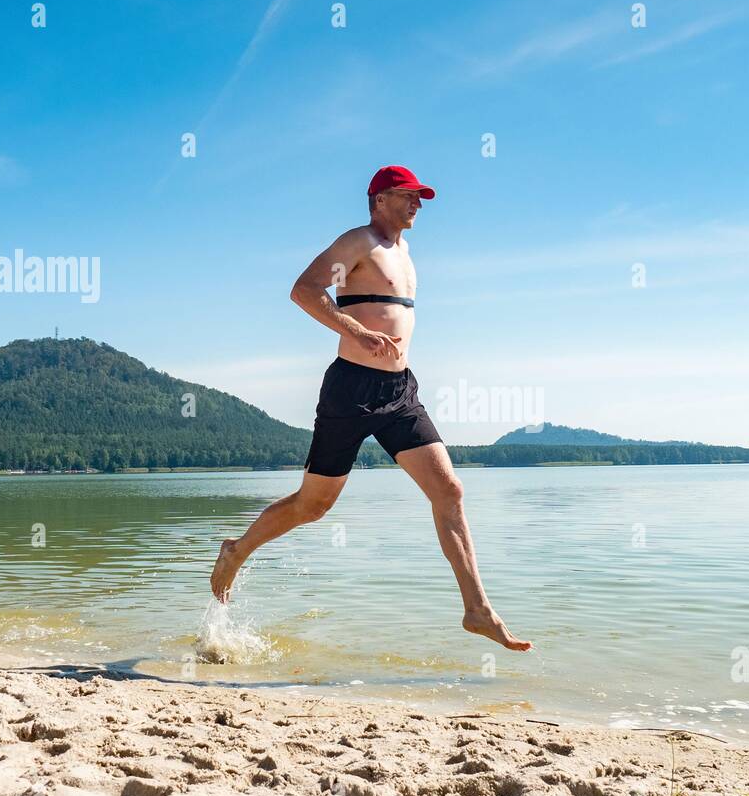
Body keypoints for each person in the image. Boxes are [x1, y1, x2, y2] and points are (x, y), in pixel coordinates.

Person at [209, 165, 532, 652]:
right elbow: (304, 290)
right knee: (313, 506)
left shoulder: (405, 253)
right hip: (351, 391)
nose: (417, 203)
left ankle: (476, 609)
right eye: (408, 195)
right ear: (379, 199)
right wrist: (356, 332)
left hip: (400, 392)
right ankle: (236, 552)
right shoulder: (358, 243)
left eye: (420, 197)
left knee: (449, 490)